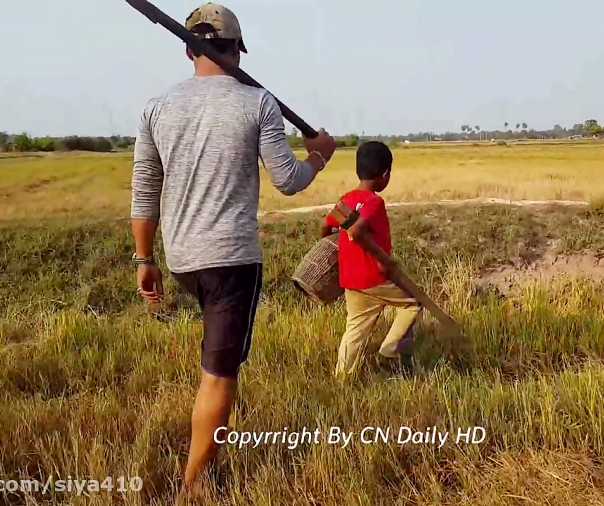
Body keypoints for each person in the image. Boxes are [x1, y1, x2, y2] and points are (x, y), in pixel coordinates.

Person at [129, 2, 337, 497]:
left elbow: (144, 187)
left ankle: (204, 462)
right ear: (238, 50)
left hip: (182, 259)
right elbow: (289, 180)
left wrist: (144, 258)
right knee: (219, 376)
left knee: (216, 367)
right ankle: (195, 484)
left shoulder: (157, 108)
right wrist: (319, 157)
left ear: (189, 49)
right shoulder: (257, 102)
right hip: (232, 260)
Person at [320, 141, 422, 380]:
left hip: (350, 278)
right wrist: (384, 260)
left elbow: (325, 224)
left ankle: (342, 378)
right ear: (385, 174)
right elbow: (357, 231)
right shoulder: (374, 202)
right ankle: (389, 350)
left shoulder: (345, 199)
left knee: (355, 329)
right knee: (413, 303)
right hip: (374, 277)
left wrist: (330, 245)